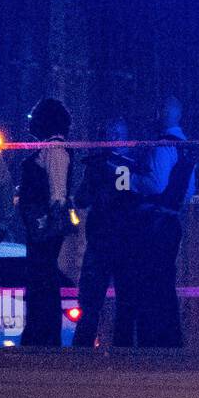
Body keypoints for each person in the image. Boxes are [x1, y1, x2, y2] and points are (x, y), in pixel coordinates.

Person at [126, 96, 195, 347]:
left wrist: (132, 180)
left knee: (151, 281)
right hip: (172, 220)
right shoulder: (185, 145)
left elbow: (156, 183)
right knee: (165, 281)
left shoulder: (162, 145)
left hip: (155, 221)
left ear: (161, 113)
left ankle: (154, 340)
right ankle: (169, 338)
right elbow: (188, 190)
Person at [71, 118, 139, 347]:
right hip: (108, 239)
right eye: (108, 135)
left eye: (115, 135)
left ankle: (116, 349)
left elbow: (120, 196)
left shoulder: (122, 165)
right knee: (93, 300)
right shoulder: (102, 164)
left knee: (119, 300)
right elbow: (82, 197)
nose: (110, 140)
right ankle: (88, 346)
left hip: (117, 239)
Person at [18, 97, 73, 347]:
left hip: (44, 228)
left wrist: (48, 224)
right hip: (41, 226)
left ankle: (44, 334)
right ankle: (41, 333)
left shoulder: (55, 150)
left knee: (43, 279)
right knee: (41, 279)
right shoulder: (49, 149)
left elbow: (58, 194)